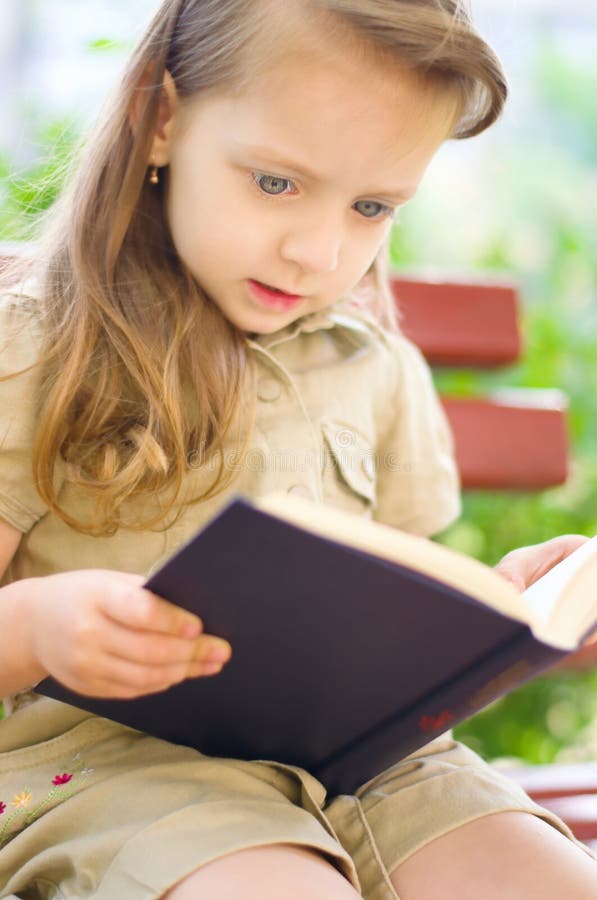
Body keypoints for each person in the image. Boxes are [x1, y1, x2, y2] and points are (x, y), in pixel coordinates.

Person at [0, 0, 595, 897]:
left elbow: (386, 620)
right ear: (160, 118)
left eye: (371, 206)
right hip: (110, 778)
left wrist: (505, 613)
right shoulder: (35, 347)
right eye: (276, 183)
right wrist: (38, 626)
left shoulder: (376, 367)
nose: (318, 251)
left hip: (372, 773)